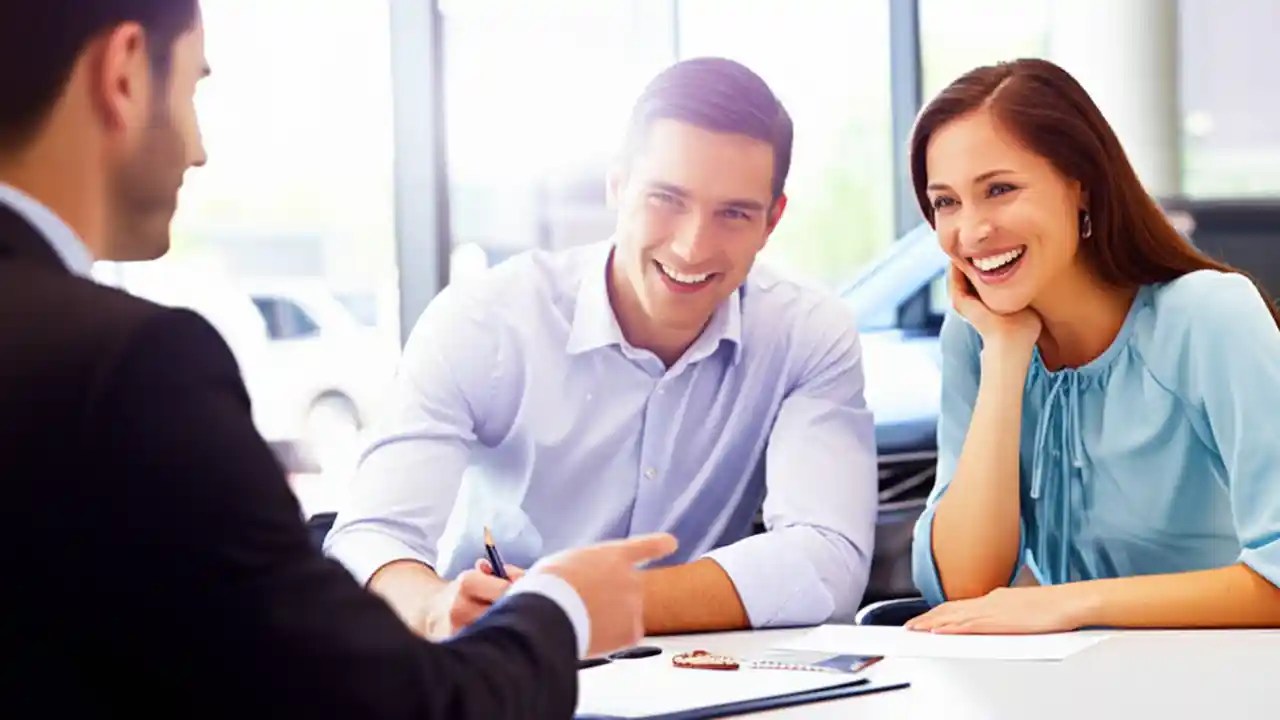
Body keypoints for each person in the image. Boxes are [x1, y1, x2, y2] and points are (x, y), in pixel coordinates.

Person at [0, 2, 676, 716]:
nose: (198, 149)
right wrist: (561, 608)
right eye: (194, 89)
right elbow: (388, 706)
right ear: (126, 72)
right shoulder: (133, 365)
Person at [324, 57, 879, 637]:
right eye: (666, 198)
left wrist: (565, 606)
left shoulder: (808, 333)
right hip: (492, 661)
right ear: (617, 186)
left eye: (734, 214)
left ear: (773, 221)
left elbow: (827, 560)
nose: (692, 246)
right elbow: (372, 535)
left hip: (694, 671)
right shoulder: (486, 320)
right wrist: (434, 605)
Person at [905, 58, 1280, 634]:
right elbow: (965, 586)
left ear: (1080, 186)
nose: (972, 230)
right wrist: (1006, 356)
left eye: (999, 189)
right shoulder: (976, 336)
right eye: (947, 202)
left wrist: (1076, 603)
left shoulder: (1209, 316)